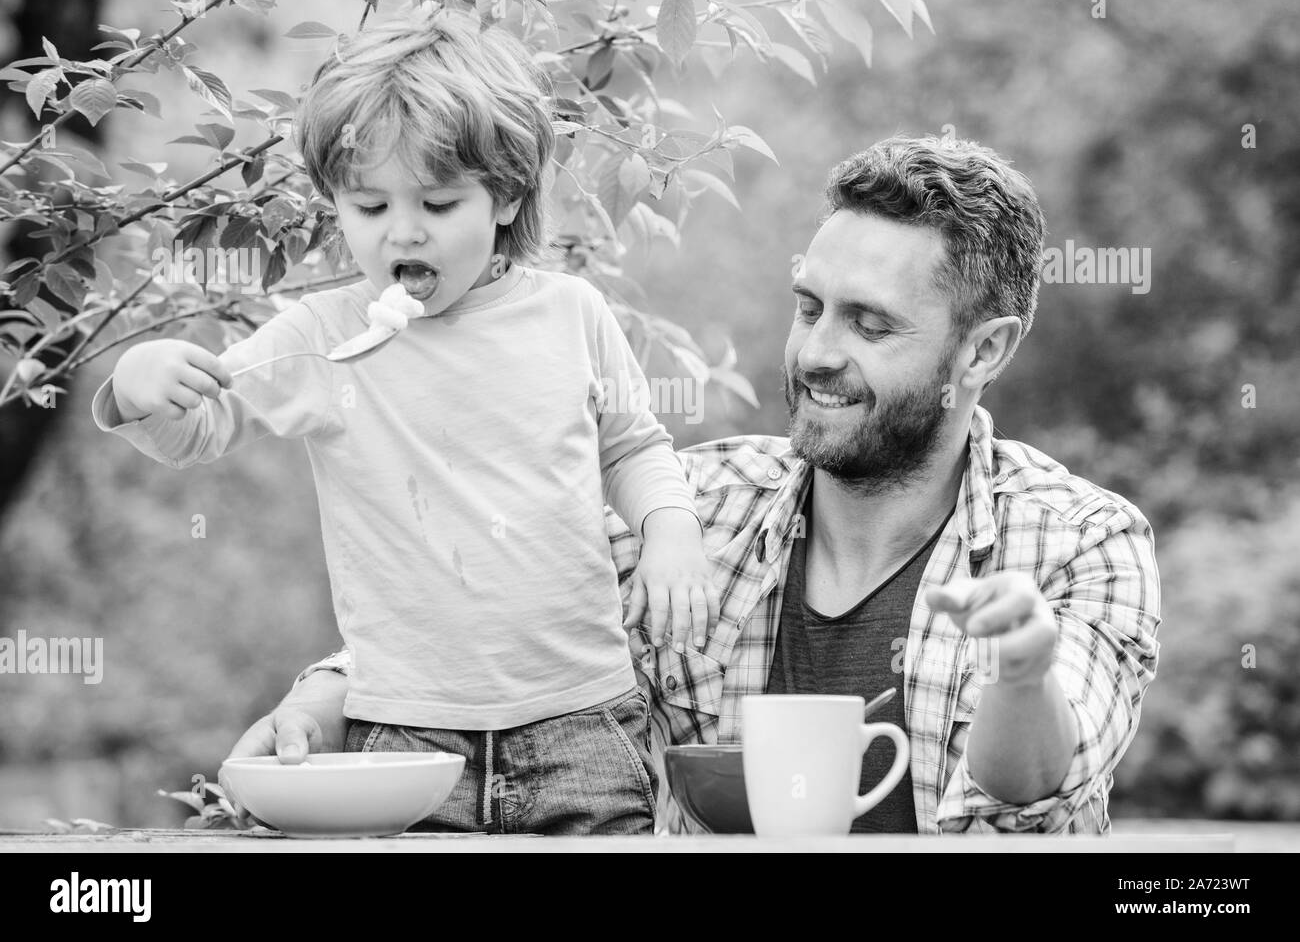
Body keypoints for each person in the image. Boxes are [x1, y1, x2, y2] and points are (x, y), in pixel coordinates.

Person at [226, 135, 1160, 834]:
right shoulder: (702, 505)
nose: (816, 354)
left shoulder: (1080, 539)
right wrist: (329, 694)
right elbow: (516, 606)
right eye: (809, 307)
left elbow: (1033, 797)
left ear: (983, 350)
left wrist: (1022, 670)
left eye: (870, 326)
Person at [91, 8, 721, 835]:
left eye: (437, 200)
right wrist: (139, 383)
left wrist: (670, 529)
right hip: (404, 735)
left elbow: (634, 448)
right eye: (370, 205)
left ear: (505, 197)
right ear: (336, 204)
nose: (404, 229)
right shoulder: (322, 336)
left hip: (584, 724)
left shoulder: (571, 314)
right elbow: (198, 427)